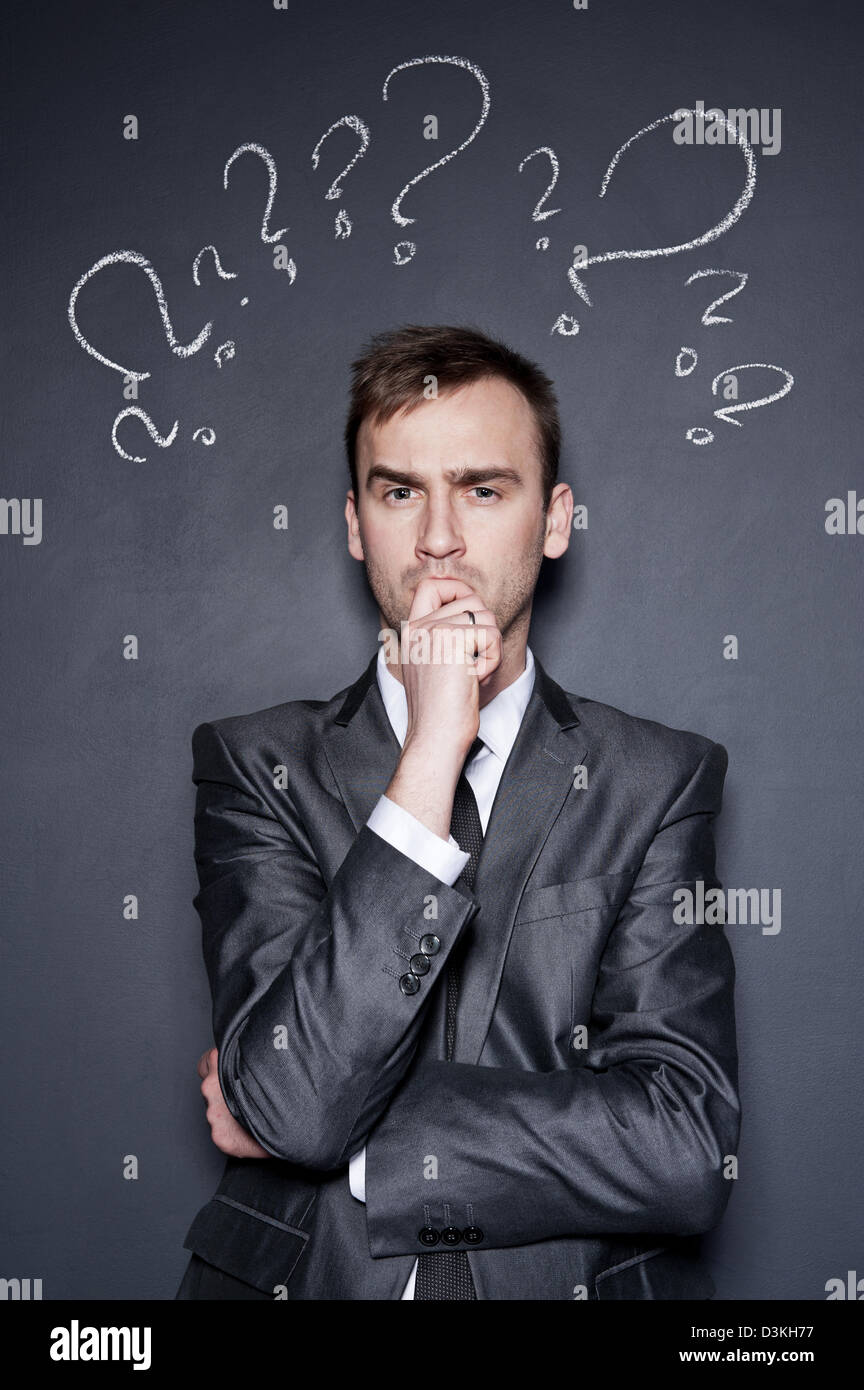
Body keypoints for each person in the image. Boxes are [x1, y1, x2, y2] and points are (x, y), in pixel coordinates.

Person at [175, 324, 739, 1301]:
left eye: (482, 490)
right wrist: (435, 747)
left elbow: (686, 1151)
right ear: (356, 525)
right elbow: (298, 1105)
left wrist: (350, 1134)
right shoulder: (254, 766)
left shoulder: (657, 780)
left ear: (554, 521)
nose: (439, 535)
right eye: (400, 492)